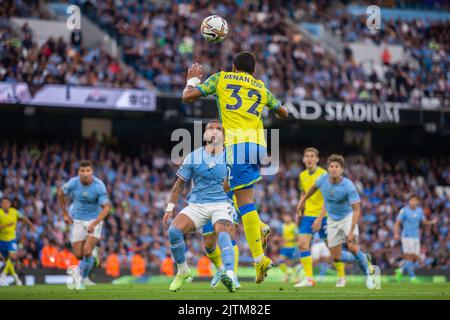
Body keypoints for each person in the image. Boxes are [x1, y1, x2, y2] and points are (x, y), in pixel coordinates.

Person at [182, 51, 289, 283]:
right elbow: (284, 112)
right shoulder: (261, 87)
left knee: (243, 202)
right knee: (229, 190)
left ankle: (259, 257)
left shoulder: (222, 78)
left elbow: (188, 97)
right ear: (254, 70)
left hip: (236, 146)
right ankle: (259, 228)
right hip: (259, 148)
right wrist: (268, 107)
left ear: (233, 66)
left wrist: (191, 81)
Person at [163, 120, 237, 292]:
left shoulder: (231, 157)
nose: (214, 131)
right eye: (210, 128)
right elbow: (178, 185)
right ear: (204, 134)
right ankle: (183, 270)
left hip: (220, 203)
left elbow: (234, 184)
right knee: (174, 231)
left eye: (218, 129)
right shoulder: (193, 156)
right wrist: (169, 209)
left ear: (224, 136)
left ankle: (230, 273)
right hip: (197, 204)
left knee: (223, 233)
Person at [297, 154, 375, 288]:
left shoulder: (348, 186)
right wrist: (302, 202)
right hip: (332, 221)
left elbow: (356, 210)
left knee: (352, 247)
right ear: (328, 168)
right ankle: (363, 257)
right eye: (331, 166)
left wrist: (351, 230)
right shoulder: (323, 180)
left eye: (336, 167)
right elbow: (312, 189)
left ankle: (369, 276)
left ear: (341, 170)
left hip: (347, 218)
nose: (333, 169)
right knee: (336, 257)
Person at [58, 160, 110, 290]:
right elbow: (60, 193)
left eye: (88, 171)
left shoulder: (99, 186)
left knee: (86, 250)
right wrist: (65, 214)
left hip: (94, 219)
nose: (85, 174)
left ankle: (79, 278)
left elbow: (106, 208)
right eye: (82, 171)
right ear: (78, 172)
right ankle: (93, 256)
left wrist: (95, 222)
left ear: (92, 172)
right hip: (78, 220)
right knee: (78, 255)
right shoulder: (73, 183)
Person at [294, 147, 328, 287]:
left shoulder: (324, 174)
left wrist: (320, 218)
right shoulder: (302, 175)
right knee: (302, 244)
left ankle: (342, 277)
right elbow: (303, 193)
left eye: (312, 156)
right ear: (303, 159)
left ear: (317, 159)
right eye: (307, 156)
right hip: (308, 215)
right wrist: (299, 208)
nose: (309, 158)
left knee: (333, 249)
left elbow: (328, 198)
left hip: (324, 215)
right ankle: (309, 279)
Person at [394, 194, 436, 283]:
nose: (412, 202)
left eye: (414, 200)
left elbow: (423, 222)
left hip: (416, 237)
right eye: (411, 200)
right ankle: (412, 278)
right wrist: (396, 233)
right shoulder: (404, 210)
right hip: (406, 237)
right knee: (409, 257)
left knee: (415, 258)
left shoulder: (420, 211)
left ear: (417, 202)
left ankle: (400, 270)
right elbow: (397, 222)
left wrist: (431, 222)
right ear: (409, 201)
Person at [0, 197, 35, 286]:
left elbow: (23, 218)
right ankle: (16, 277)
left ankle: (3, 275)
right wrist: (6, 225)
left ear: (10, 204)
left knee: (12, 256)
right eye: (4, 203)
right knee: (5, 260)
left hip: (11, 239)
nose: (5, 205)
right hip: (1, 240)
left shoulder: (14, 212)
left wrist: (31, 225)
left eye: (7, 203)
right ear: (1, 204)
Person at [278, 213, 298, 282]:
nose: (285, 219)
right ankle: (286, 274)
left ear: (290, 218)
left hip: (292, 247)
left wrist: (289, 240)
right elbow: (282, 236)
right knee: (280, 261)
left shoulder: (294, 226)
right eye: (284, 217)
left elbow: (297, 237)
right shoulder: (283, 226)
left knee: (292, 264)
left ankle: (296, 277)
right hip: (285, 248)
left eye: (287, 217)